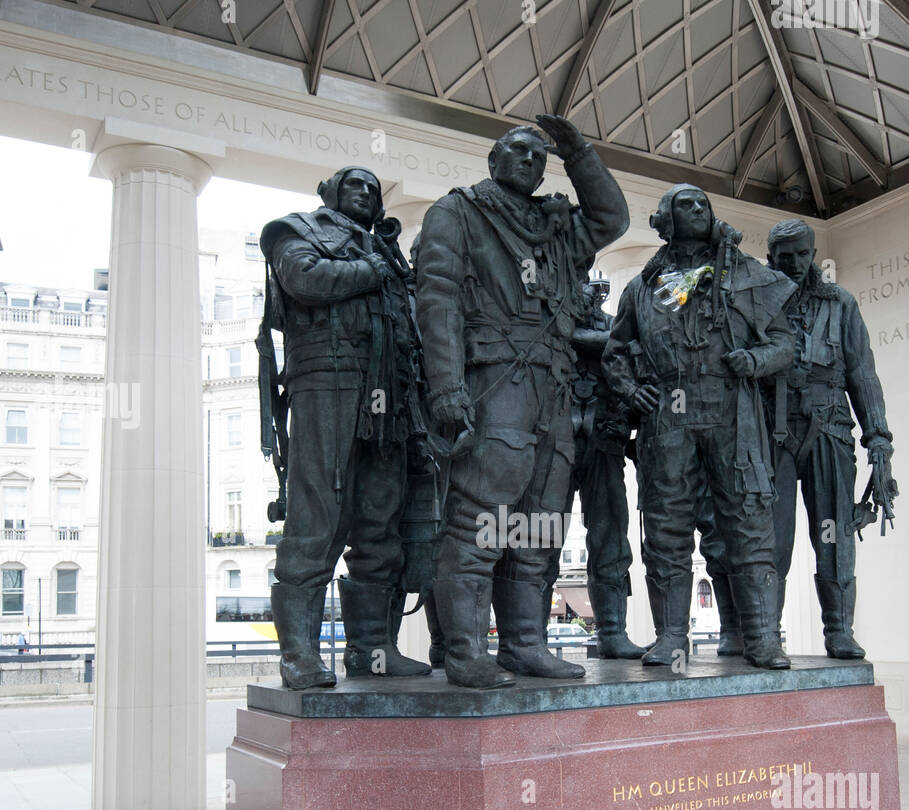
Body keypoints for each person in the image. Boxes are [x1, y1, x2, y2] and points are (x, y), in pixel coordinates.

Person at [414, 116, 630, 688]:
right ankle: (462, 649)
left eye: (540, 155)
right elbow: (436, 300)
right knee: (481, 515)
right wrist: (447, 387)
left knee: (540, 521)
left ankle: (525, 643)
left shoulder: (555, 225)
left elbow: (613, 218)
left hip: (553, 388)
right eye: (518, 151)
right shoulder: (457, 212)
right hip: (494, 380)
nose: (531, 160)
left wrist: (579, 152)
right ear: (493, 160)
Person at [602, 184, 795, 670]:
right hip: (668, 414)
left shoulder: (746, 273)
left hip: (732, 409)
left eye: (703, 203)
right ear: (666, 218)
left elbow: (784, 345)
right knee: (666, 527)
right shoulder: (644, 287)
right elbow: (615, 351)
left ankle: (762, 638)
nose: (697, 209)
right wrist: (630, 391)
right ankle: (670, 636)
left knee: (748, 525)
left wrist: (753, 359)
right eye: (685, 204)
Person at [258, 166, 431, 688]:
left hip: (390, 396)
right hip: (327, 385)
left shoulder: (387, 253)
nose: (366, 192)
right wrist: (372, 270)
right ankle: (299, 656)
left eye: (374, 188)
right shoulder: (297, 230)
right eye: (354, 183)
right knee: (317, 517)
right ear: (328, 192)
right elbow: (304, 280)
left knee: (381, 523)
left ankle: (372, 650)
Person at [765, 219, 898, 659]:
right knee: (771, 537)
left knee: (833, 535)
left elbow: (862, 373)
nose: (794, 264)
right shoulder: (755, 303)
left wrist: (878, 438)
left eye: (802, 254)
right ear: (770, 258)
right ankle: (766, 633)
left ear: (813, 253)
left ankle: (838, 629)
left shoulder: (841, 304)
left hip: (830, 430)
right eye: (785, 257)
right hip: (774, 432)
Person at [538, 276, 646, 659]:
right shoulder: (548, 324)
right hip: (555, 443)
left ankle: (613, 633)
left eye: (588, 288)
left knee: (611, 538)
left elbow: (634, 359)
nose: (582, 293)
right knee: (541, 537)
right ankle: (532, 640)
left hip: (603, 441)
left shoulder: (614, 327)